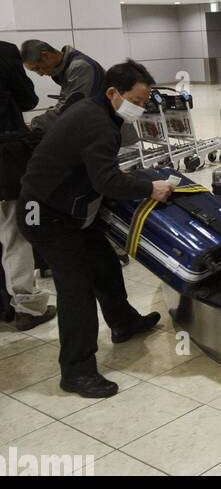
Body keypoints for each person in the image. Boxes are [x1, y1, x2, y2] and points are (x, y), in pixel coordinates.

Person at [18, 60, 176, 399]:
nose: (142, 106)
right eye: (137, 99)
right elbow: (106, 179)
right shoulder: (97, 123)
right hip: (44, 215)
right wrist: (151, 189)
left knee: (103, 263)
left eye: (146, 100)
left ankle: (123, 322)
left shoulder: (100, 112)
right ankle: (76, 371)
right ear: (112, 93)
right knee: (76, 289)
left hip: (68, 211)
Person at [0, 40, 55, 332]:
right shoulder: (5, 51)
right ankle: (27, 307)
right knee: (14, 233)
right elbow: (28, 100)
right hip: (5, 157)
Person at [20, 40, 106, 137]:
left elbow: (71, 110)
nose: (40, 74)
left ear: (45, 56)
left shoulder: (80, 67)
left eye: (37, 68)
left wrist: (36, 124)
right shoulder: (70, 67)